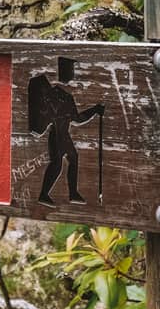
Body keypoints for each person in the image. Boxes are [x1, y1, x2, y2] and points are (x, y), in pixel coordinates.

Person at [27, 58, 104, 204]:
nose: (72, 77)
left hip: (64, 134)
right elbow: (48, 116)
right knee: (56, 165)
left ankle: (72, 193)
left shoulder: (67, 97)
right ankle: (44, 194)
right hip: (56, 134)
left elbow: (77, 118)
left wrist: (94, 110)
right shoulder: (52, 95)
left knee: (73, 159)